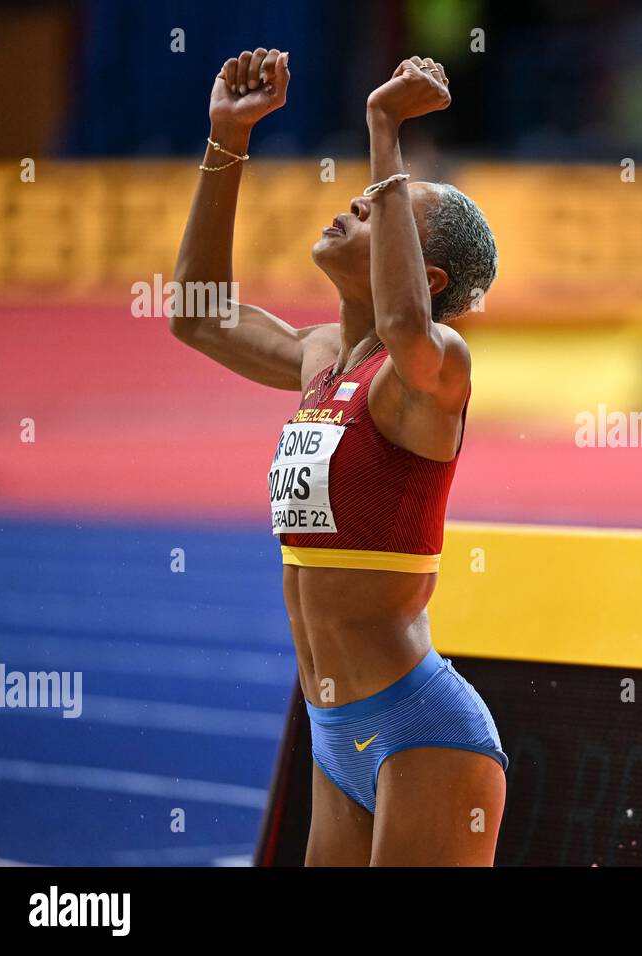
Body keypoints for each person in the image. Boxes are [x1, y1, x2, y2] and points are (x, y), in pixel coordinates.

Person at [170, 48, 505, 865]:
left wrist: (384, 128)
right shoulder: (323, 357)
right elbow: (196, 315)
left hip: (422, 732)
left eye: (378, 208)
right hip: (335, 733)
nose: (353, 207)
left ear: (421, 275)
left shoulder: (433, 370)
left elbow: (404, 327)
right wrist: (225, 140)